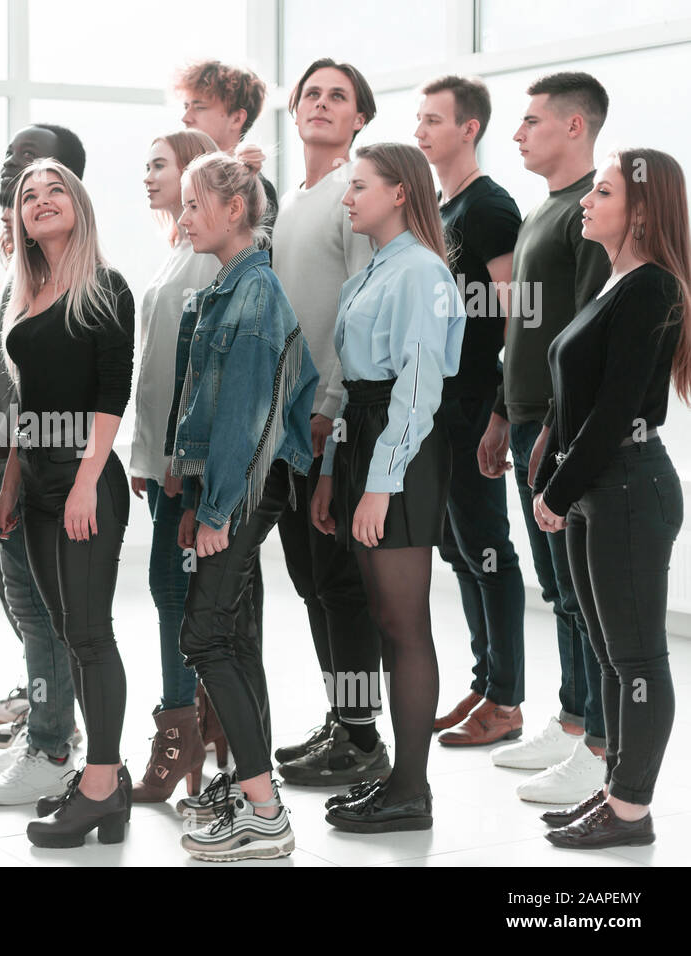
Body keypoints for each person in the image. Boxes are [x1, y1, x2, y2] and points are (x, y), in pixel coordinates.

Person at [534, 149, 687, 849]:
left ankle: (631, 809)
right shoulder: (614, 281)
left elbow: (618, 404)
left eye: (602, 192)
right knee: (610, 657)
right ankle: (618, 793)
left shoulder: (652, 287)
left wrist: (557, 492)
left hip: (627, 486)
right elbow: (582, 392)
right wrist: (551, 461)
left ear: (642, 210)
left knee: (638, 660)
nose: (586, 203)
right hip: (599, 484)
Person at [168, 151, 319, 861]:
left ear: (235, 209)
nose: (183, 215)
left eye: (195, 204)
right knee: (225, 635)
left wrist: (221, 509)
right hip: (228, 491)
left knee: (206, 638)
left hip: (248, 491)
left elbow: (249, 421)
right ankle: (249, 790)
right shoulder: (228, 287)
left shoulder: (255, 296)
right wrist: (199, 498)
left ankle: (264, 812)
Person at [311, 142, 465, 833]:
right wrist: (329, 478)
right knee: (383, 618)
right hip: (362, 448)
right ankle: (398, 784)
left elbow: (418, 390)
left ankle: (410, 790)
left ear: (400, 192)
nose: (348, 199)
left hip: (398, 455)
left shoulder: (423, 273)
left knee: (406, 626)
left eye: (360, 187)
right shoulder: (372, 271)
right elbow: (351, 390)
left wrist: (380, 485)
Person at [0, 159, 135, 849]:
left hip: (86, 481)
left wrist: (84, 480)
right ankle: (102, 779)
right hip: (38, 481)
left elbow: (112, 393)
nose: (41, 201)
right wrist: (15, 481)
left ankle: (103, 784)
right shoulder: (31, 292)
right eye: (28, 196)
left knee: (89, 633)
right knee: (63, 633)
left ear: (77, 204)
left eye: (54, 191)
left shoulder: (105, 287)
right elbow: (24, 404)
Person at [478, 72, 612, 806]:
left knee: (579, 592)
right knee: (558, 589)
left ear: (574, 127)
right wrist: (503, 414)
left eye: (531, 121)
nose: (520, 133)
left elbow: (589, 335)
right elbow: (521, 332)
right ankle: (568, 724)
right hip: (527, 417)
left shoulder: (592, 211)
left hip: (558, 426)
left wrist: (556, 428)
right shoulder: (543, 211)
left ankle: (597, 741)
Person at [269, 58, 389, 788]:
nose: (321, 103)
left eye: (337, 96)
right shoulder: (294, 199)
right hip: (289, 424)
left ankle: (363, 735)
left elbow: (361, 309)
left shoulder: (352, 191)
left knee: (340, 586)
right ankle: (342, 722)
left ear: (358, 119)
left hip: (329, 422)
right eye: (310, 93)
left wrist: (332, 411)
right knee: (313, 583)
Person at [414, 75, 528, 747]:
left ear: (469, 129)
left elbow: (519, 315)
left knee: (488, 548)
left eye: (434, 119)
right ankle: (487, 682)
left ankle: (508, 701)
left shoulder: (489, 208)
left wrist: (502, 414)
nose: (421, 129)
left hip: (476, 402)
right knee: (459, 548)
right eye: (418, 118)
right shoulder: (438, 205)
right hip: (441, 404)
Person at [126, 128, 220, 803]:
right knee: (172, 593)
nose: (147, 175)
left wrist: (183, 465)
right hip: (164, 464)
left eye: (158, 165)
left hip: (192, 467)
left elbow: (207, 376)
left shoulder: (211, 258)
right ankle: (197, 727)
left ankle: (182, 727)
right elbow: (155, 370)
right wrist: (144, 454)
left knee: (178, 594)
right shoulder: (173, 252)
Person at [174, 59, 279, 235]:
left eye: (199, 107)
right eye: (186, 106)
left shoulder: (255, 189)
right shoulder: (189, 181)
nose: (186, 117)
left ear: (237, 119)